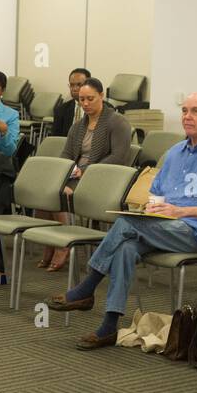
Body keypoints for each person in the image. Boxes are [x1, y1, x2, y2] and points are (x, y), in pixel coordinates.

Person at [47, 91, 197, 350]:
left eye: (195, 111)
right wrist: (152, 206)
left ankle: (87, 288)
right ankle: (109, 326)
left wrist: (181, 212)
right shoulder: (176, 152)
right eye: (185, 110)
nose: (187, 116)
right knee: (126, 248)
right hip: (163, 227)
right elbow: (157, 192)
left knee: (126, 224)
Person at [37, 76, 133, 271]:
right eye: (82, 100)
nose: (85, 103)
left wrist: (86, 171)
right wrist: (64, 172)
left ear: (101, 96)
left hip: (104, 178)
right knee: (45, 191)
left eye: (90, 98)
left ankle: (63, 243)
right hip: (76, 175)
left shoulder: (117, 122)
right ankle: (50, 243)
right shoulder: (78, 125)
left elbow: (119, 157)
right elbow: (66, 154)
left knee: (59, 192)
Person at [50, 67, 90, 138]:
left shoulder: (101, 108)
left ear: (89, 85)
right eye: (72, 85)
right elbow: (56, 139)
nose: (74, 89)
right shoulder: (61, 110)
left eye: (79, 85)